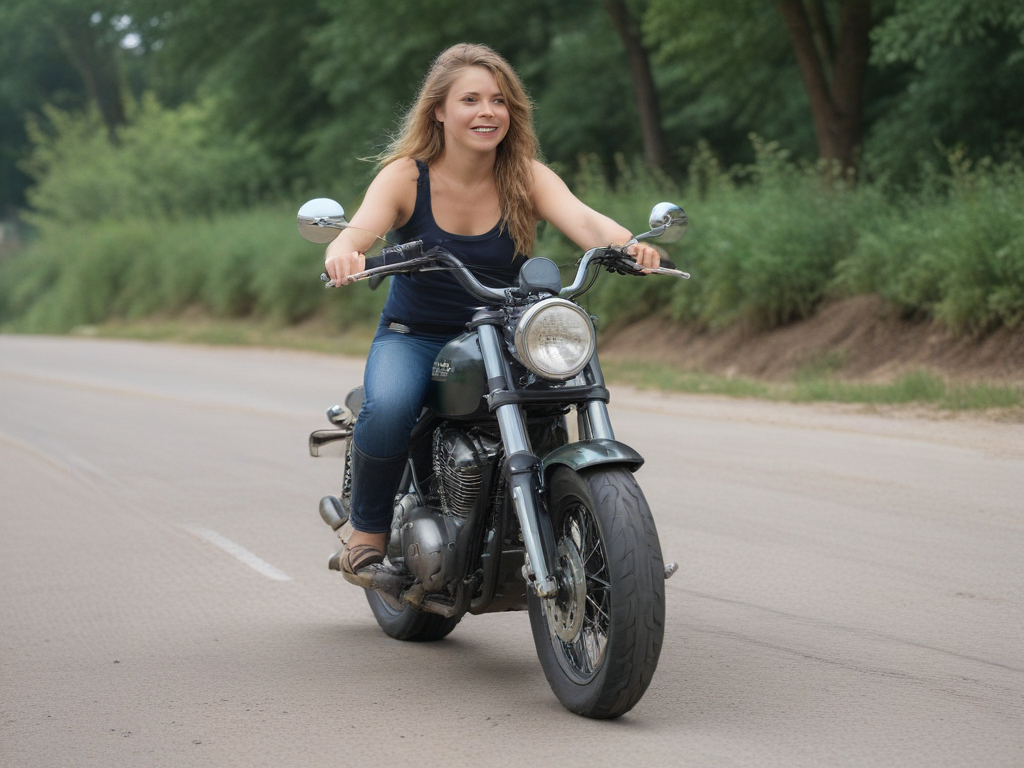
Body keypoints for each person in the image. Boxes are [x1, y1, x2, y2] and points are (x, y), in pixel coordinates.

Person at [322, 43, 660, 581]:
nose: (487, 112)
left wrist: (632, 246)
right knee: (387, 410)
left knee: (559, 396)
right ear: (439, 110)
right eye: (471, 100)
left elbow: (585, 221)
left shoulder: (523, 174)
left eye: (499, 101)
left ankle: (610, 542)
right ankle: (367, 534)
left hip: (506, 335)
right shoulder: (406, 176)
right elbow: (360, 230)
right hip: (418, 336)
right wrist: (344, 252)